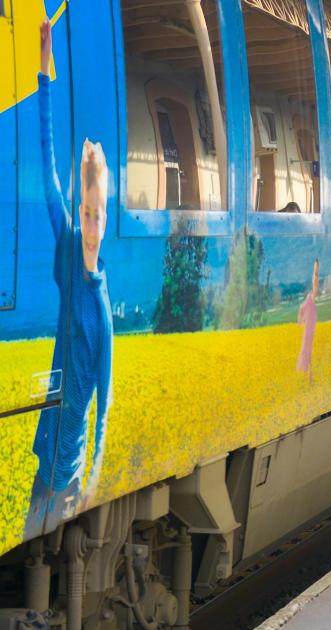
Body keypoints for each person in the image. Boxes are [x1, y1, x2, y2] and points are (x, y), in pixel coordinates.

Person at [27, 19, 115, 535]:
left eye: (97, 216)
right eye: (85, 211)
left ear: (106, 224)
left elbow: (104, 407)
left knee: (39, 527)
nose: (89, 223)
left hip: (68, 475)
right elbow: (47, 154)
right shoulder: (65, 246)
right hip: (45, 449)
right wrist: (43, 55)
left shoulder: (101, 314)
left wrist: (93, 478)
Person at [297, 259, 320, 380]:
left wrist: (316, 270)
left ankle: (309, 376)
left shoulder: (309, 300)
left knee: (307, 350)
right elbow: (315, 280)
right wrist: (316, 270)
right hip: (308, 330)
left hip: (309, 329)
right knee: (307, 350)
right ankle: (308, 376)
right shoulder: (309, 300)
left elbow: (315, 281)